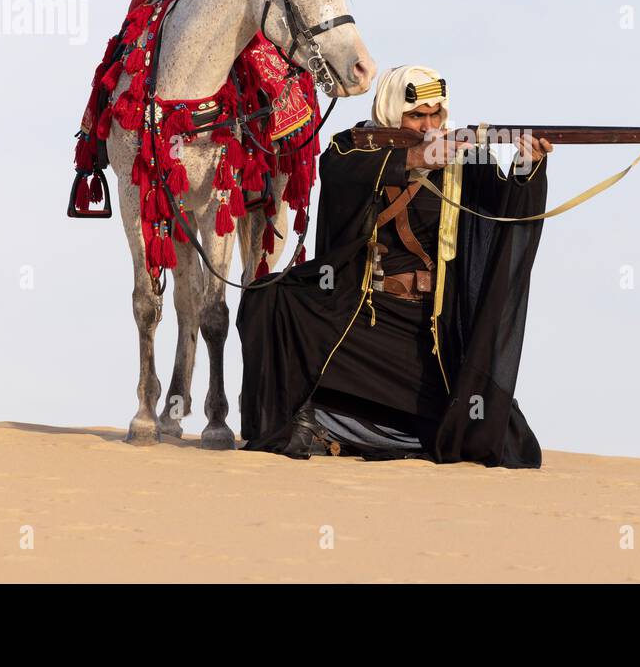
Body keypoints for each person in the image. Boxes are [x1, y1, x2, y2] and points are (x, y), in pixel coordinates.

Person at [236, 65, 553, 467]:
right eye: (416, 115)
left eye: (436, 114)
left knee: (494, 435)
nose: (429, 123)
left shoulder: (467, 156)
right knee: (270, 300)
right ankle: (297, 421)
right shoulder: (357, 146)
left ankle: (349, 429)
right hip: (362, 314)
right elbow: (339, 173)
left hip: (433, 329)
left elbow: (506, 211)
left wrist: (527, 166)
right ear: (391, 113)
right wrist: (415, 157)